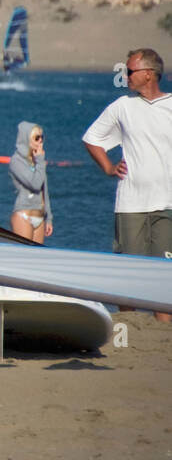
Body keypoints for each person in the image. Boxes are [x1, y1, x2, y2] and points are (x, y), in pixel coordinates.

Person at [82, 48, 172, 319]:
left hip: (167, 204)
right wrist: (108, 167)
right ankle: (129, 327)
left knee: (163, 274)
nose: (125, 76)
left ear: (148, 74)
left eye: (130, 71)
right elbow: (92, 138)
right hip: (130, 205)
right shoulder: (122, 106)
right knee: (128, 273)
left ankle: (163, 330)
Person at [9, 121, 52, 243]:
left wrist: (49, 218)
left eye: (42, 137)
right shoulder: (16, 162)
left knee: (37, 259)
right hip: (23, 215)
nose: (40, 141)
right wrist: (40, 160)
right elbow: (35, 184)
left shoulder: (37, 162)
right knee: (23, 257)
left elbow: (44, 190)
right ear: (27, 139)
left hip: (40, 217)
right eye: (37, 138)